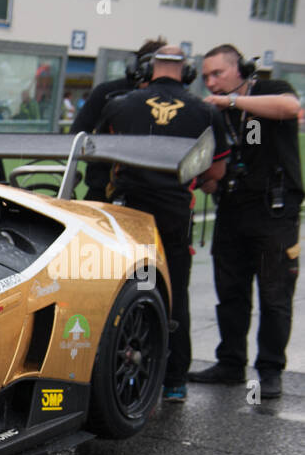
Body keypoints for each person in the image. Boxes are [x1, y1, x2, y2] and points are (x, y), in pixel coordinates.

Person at [98, 45, 228, 403]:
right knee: (175, 296)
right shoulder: (205, 110)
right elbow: (216, 170)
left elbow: (95, 151)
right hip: (174, 215)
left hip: (128, 215)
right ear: (187, 72)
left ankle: (125, 377)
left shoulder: (121, 105)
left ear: (147, 69)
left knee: (125, 292)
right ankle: (173, 382)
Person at [188, 45, 302, 399]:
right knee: (231, 293)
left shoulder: (268, 91)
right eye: (206, 76)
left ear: (242, 71)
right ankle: (231, 362)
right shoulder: (216, 112)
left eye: (218, 74)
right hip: (233, 209)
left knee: (274, 294)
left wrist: (232, 103)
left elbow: (290, 108)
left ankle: (269, 370)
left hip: (273, 212)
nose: (211, 82)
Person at [72, 37, 167, 201]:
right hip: (103, 189)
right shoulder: (107, 93)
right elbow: (77, 135)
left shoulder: (175, 101)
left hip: (155, 195)